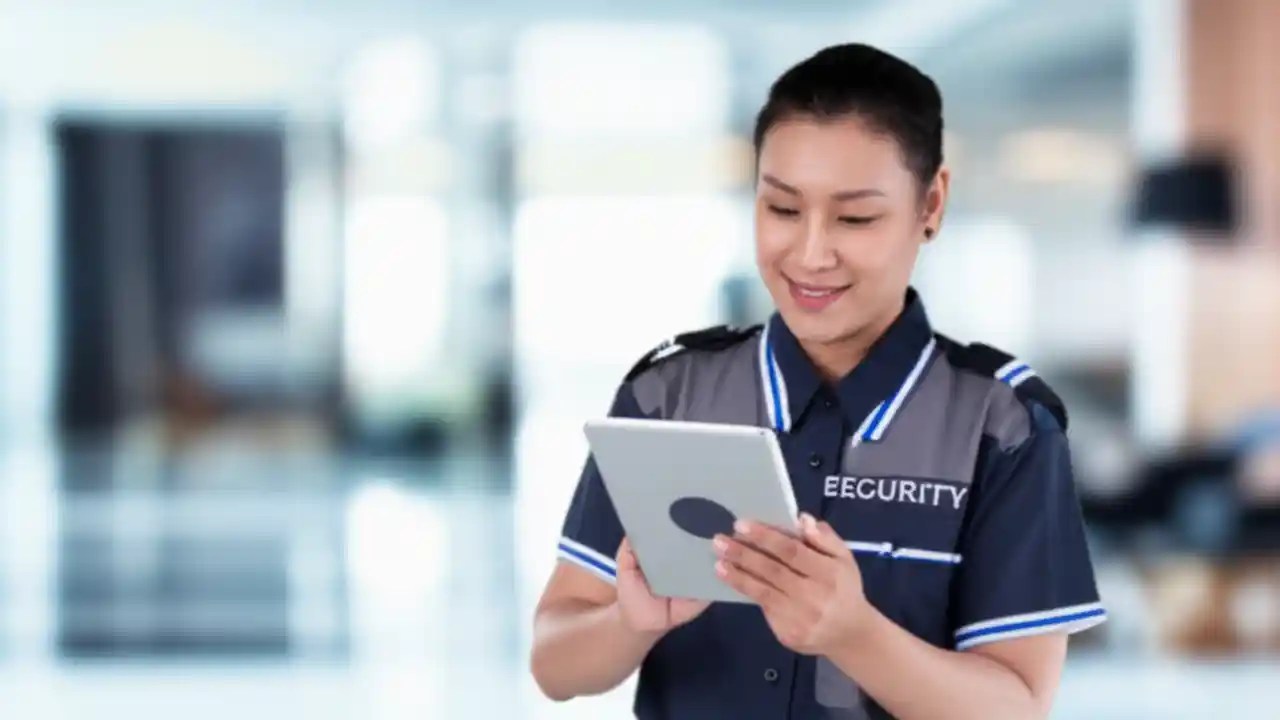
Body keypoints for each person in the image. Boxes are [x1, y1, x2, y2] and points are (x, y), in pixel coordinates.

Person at [530, 42, 1105, 720]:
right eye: (780, 209)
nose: (810, 254)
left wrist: (855, 635)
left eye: (856, 217)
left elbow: (1018, 707)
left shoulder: (1002, 424)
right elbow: (554, 662)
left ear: (932, 205)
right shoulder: (667, 397)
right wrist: (631, 623)